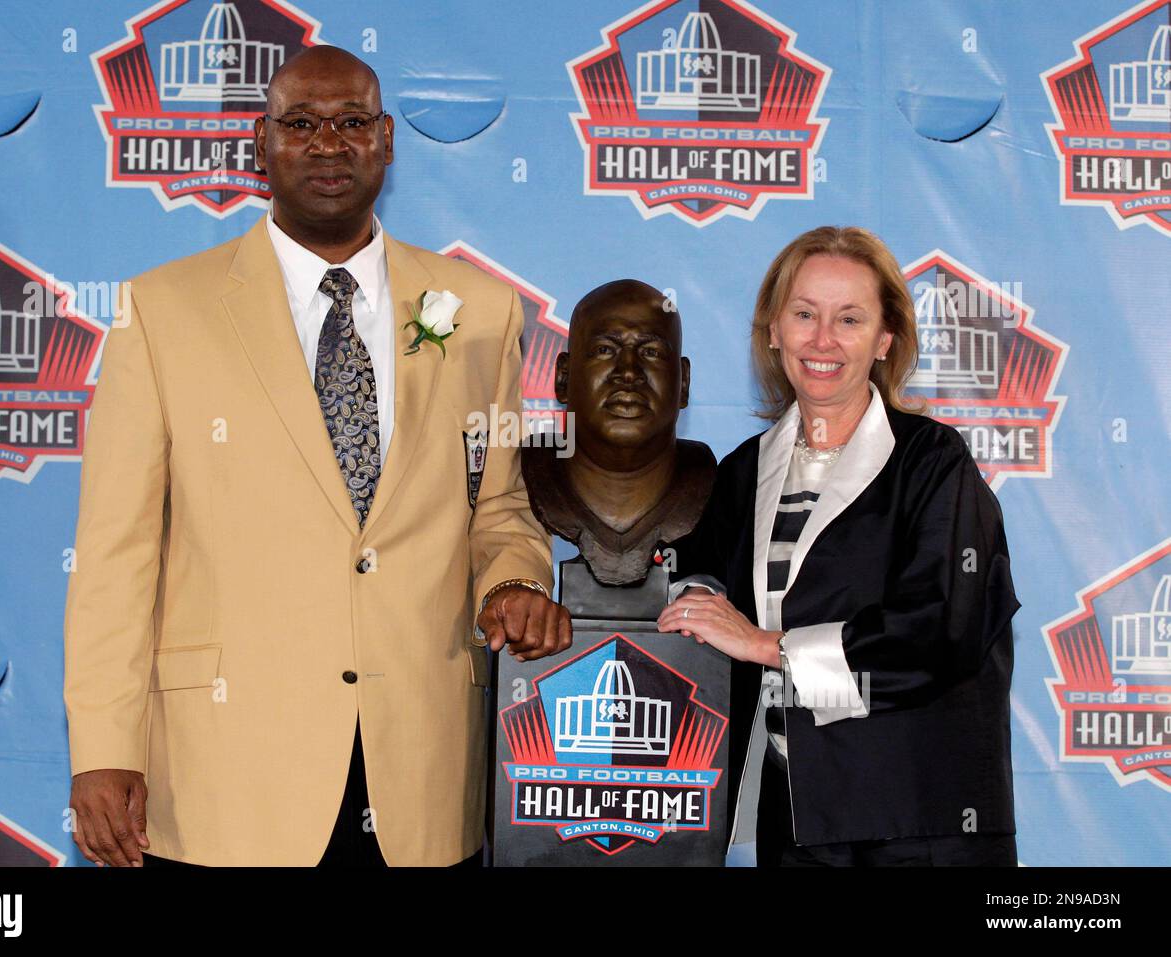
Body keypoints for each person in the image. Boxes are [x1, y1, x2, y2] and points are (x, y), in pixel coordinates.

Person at [64, 46, 571, 868]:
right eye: (300, 124)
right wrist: (102, 746)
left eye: (352, 124)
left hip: (420, 773)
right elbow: (117, 553)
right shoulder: (163, 310)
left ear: (389, 142)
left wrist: (514, 578)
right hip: (225, 780)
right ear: (259, 144)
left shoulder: (478, 311)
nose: (328, 144)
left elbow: (501, 508)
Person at [657, 225, 1020, 866]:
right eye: (804, 314)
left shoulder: (934, 463)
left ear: (885, 340)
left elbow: (941, 631)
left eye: (849, 319)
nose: (822, 340)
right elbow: (693, 578)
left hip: (916, 822)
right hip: (795, 814)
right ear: (773, 329)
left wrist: (766, 645)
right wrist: (687, 595)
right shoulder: (743, 472)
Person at [521, 279, 715, 587]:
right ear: (563, 377)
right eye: (604, 350)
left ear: (683, 383)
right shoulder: (518, 478)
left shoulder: (724, 488)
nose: (628, 371)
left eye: (651, 352)